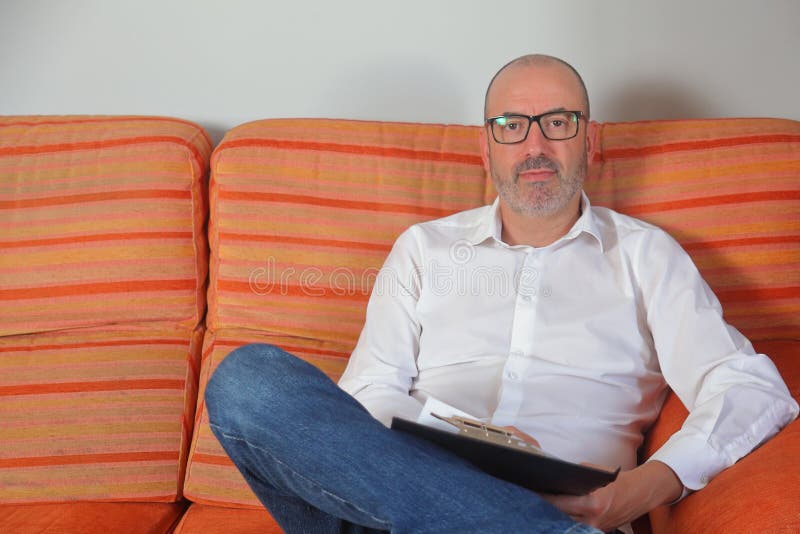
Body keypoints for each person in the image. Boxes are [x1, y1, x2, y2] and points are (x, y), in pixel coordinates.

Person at [205, 54, 798, 533]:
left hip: (561, 504)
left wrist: (650, 484)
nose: (535, 145)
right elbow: (369, 393)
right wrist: (473, 442)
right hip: (394, 497)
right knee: (247, 380)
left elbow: (749, 386)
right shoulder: (423, 249)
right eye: (512, 125)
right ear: (485, 149)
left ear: (589, 142)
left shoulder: (647, 256)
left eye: (557, 122)